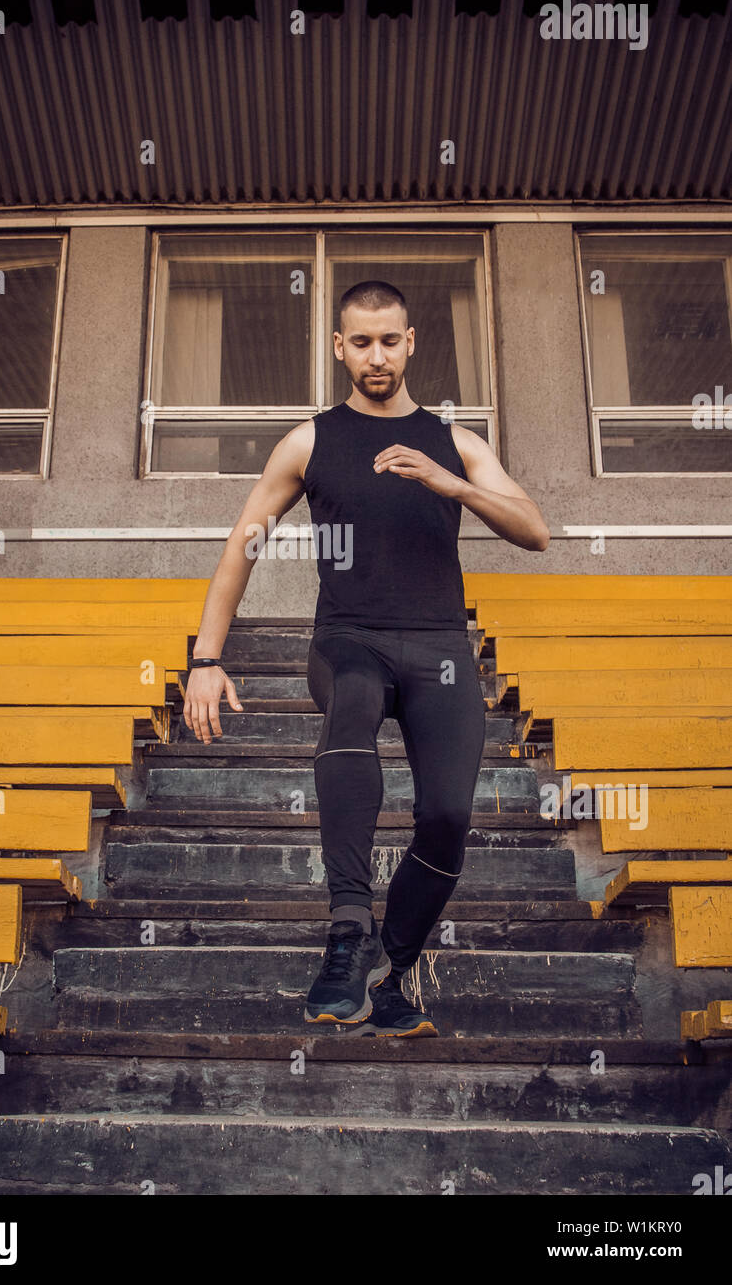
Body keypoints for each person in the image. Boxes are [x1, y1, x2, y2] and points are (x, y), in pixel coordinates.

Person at [184, 280, 550, 1036]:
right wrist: (205, 658)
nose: (375, 355)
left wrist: (449, 482)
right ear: (340, 347)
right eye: (360, 341)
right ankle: (346, 933)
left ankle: (391, 970)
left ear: (411, 342)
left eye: (389, 340)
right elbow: (243, 545)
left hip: (442, 649)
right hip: (349, 638)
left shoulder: (458, 442)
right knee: (350, 701)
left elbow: (535, 529)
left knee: (447, 815)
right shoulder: (309, 440)